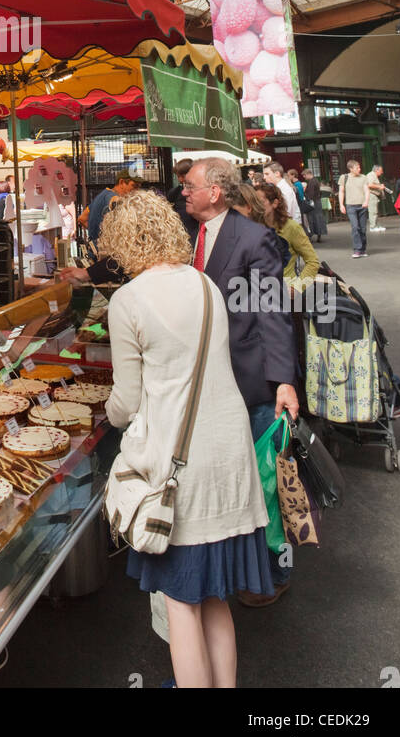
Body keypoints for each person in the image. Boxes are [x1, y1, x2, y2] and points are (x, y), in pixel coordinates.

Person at [101, 192, 272, 688]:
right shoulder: (204, 285)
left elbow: (127, 402)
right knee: (215, 597)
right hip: (230, 456)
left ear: (123, 242)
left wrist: (105, 415)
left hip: (180, 470)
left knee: (180, 604)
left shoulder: (128, 300)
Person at [182, 158, 298, 607]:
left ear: (215, 192)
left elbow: (272, 312)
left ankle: (275, 569)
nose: (184, 192)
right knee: (229, 479)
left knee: (265, 481)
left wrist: (283, 381)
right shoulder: (188, 236)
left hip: (249, 381)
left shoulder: (255, 239)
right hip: (205, 381)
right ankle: (235, 567)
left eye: (191, 186)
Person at [258, 183, 321, 289]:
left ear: (275, 203)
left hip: (284, 291)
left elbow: (312, 262)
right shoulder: (251, 227)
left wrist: (297, 288)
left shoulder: (291, 227)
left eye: (261, 202)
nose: (256, 206)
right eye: (254, 202)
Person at [87, 172, 135, 243]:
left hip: (95, 247)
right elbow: (114, 200)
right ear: (121, 182)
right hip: (103, 249)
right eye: (134, 185)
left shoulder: (101, 195)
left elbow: (82, 218)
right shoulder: (111, 196)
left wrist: (94, 232)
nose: (137, 190)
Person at [339, 160, 369, 257]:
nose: (359, 169)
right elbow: (341, 191)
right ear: (351, 169)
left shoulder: (364, 177)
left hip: (362, 205)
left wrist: (366, 201)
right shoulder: (344, 177)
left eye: (359, 167)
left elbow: (366, 190)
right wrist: (341, 204)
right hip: (350, 206)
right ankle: (357, 249)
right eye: (357, 168)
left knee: (363, 229)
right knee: (355, 227)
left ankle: (363, 249)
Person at [166, 158, 197, 240]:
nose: (180, 180)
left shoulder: (201, 192)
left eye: (183, 176)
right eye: (178, 176)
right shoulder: (174, 193)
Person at [301, 169, 327, 243]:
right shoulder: (315, 180)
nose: (304, 177)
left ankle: (311, 236)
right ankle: (319, 235)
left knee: (312, 219)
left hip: (313, 203)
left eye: (304, 175)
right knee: (318, 218)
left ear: (308, 174)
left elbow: (311, 194)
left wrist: (305, 197)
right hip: (317, 202)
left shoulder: (312, 182)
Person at [365, 164, 389, 233]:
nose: (382, 172)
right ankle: (373, 227)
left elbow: (373, 184)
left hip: (375, 195)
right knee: (373, 211)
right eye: (381, 171)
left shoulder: (374, 175)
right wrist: (379, 187)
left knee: (376, 212)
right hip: (372, 195)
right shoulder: (371, 175)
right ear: (377, 170)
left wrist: (379, 185)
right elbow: (369, 185)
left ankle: (376, 225)